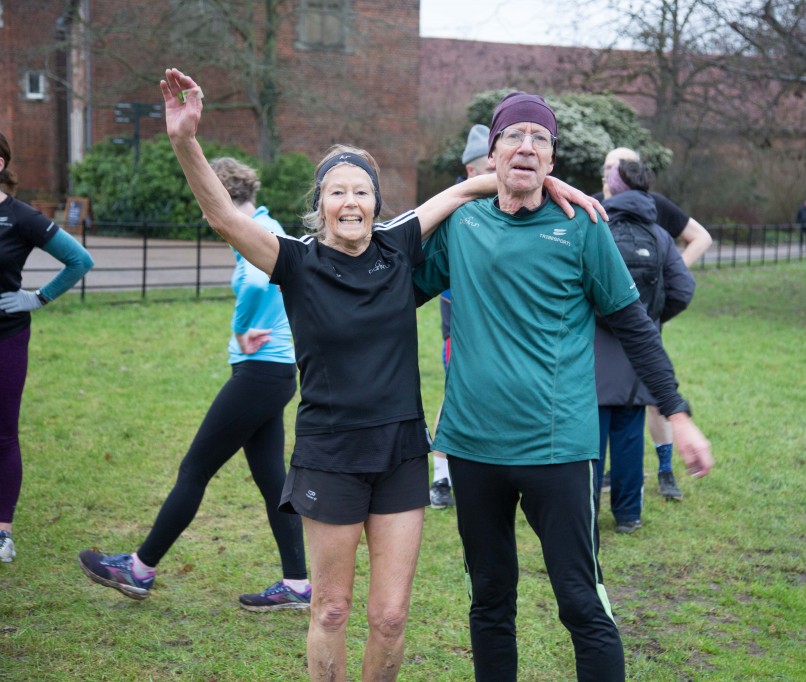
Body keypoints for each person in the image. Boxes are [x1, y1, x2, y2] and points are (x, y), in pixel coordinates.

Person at [151, 70, 601, 681]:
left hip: (399, 455)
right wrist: (185, 140)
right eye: (337, 193)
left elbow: (479, 184)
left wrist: (547, 175)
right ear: (320, 206)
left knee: (390, 616)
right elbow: (222, 216)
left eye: (361, 192)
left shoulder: (398, 248)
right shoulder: (295, 261)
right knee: (332, 609)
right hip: (329, 452)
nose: (351, 203)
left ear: (376, 204)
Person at [414, 92, 713, 681]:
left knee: (581, 602)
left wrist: (676, 414)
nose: (526, 146)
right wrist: (460, 194)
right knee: (489, 601)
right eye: (513, 136)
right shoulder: (462, 226)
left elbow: (634, 326)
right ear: (491, 152)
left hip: (557, 449)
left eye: (540, 138)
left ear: (552, 160)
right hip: (473, 449)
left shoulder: (583, 227)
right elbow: (389, 277)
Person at [78, 157, 310, 611]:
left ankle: (139, 569)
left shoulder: (250, 231)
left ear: (217, 197)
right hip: (273, 372)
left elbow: (257, 282)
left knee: (195, 469)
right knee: (272, 481)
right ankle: (298, 585)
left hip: (262, 370)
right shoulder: (266, 223)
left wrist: (242, 330)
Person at [0, 131, 94, 563]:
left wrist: (37, 297)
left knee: (2, 433)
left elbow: (80, 260)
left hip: (7, 336)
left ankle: (3, 531)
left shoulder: (22, 218)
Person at [598, 147, 712, 501]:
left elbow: (701, 237)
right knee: (634, 401)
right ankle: (626, 494)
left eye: (614, 168)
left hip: (632, 324)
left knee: (647, 397)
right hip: (627, 324)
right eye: (606, 167)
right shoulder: (591, 204)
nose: (608, 175)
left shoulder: (656, 205)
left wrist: (664, 280)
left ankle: (664, 470)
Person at [429, 123, 493, 510]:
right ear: (471, 170)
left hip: (501, 328)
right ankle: (440, 479)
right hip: (462, 329)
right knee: (455, 398)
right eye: (488, 169)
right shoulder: (454, 207)